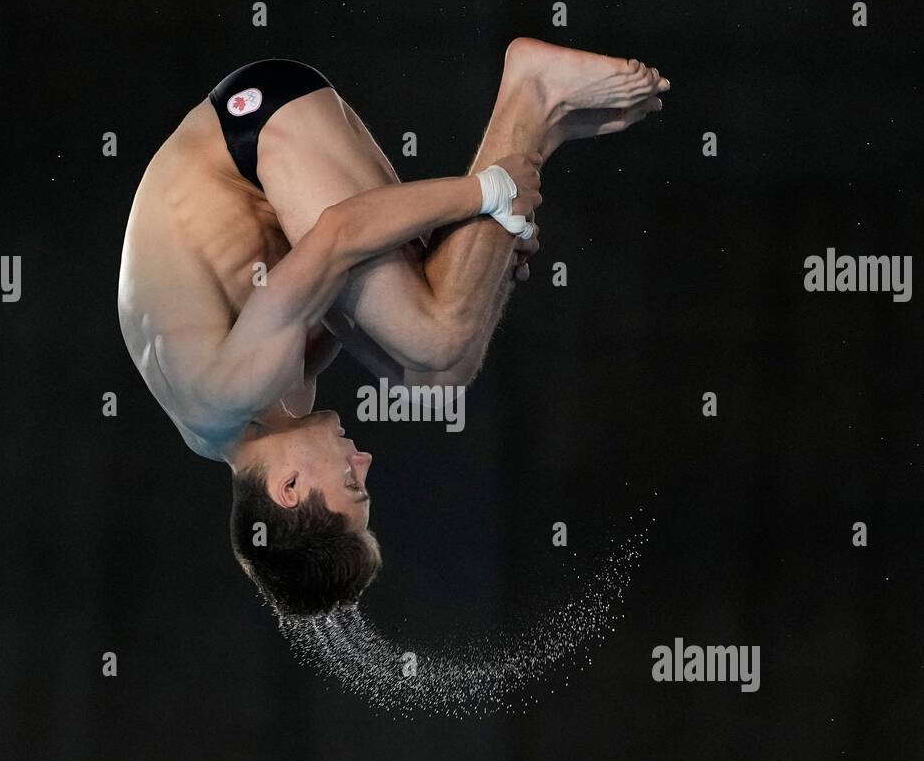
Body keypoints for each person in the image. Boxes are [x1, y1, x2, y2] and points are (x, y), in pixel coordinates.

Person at [118, 38, 669, 615]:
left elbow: (336, 236)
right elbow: (336, 286)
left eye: (352, 486)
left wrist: (484, 194)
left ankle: (531, 90)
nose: (365, 463)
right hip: (268, 173)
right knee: (439, 379)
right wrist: (487, 264)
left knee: (431, 336)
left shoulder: (230, 389)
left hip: (254, 127)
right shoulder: (253, 420)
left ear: (288, 491)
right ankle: (544, 132)